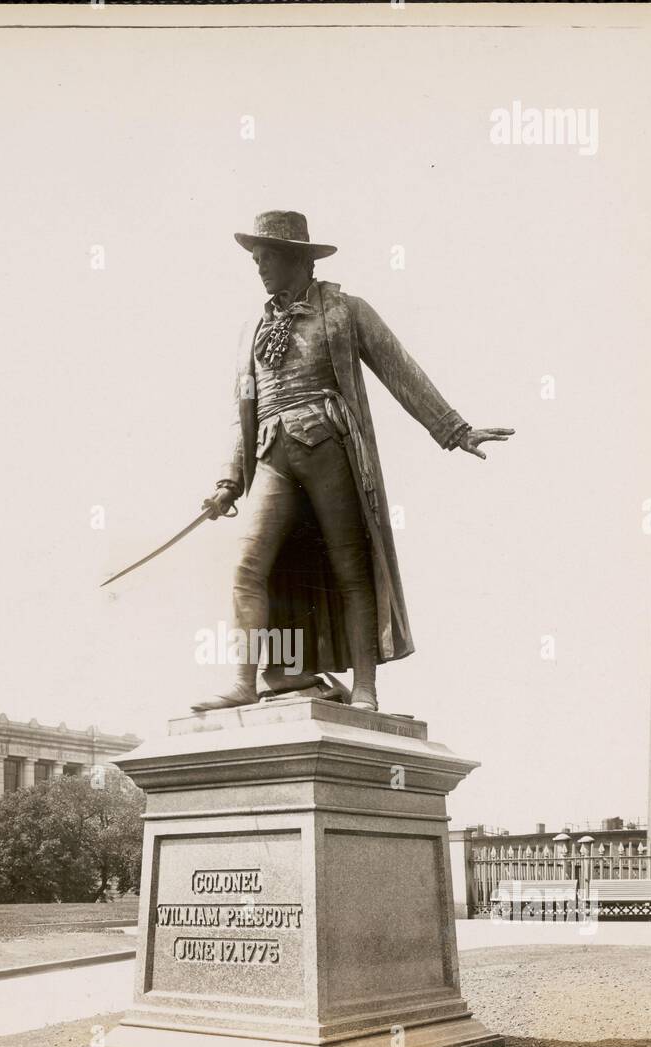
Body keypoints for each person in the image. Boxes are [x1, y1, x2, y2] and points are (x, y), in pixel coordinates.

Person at [193, 210, 513, 713]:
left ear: (299, 257)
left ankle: (365, 687)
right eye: (256, 258)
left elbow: (399, 369)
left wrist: (454, 429)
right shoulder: (253, 328)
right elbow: (243, 412)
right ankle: (243, 679)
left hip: (331, 446)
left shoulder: (345, 310)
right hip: (272, 454)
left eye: (268, 256)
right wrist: (229, 480)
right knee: (247, 565)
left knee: (352, 566)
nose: (259, 267)